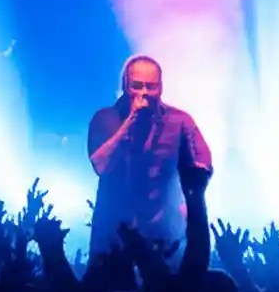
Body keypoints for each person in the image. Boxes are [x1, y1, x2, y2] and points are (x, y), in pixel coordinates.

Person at [87, 55, 212, 256]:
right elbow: (100, 166)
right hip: (113, 238)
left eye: (150, 87)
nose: (144, 93)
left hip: (164, 237)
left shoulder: (180, 121)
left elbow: (202, 168)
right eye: (137, 86)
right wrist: (132, 121)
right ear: (125, 87)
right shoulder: (105, 118)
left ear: (161, 88)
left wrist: (190, 203)